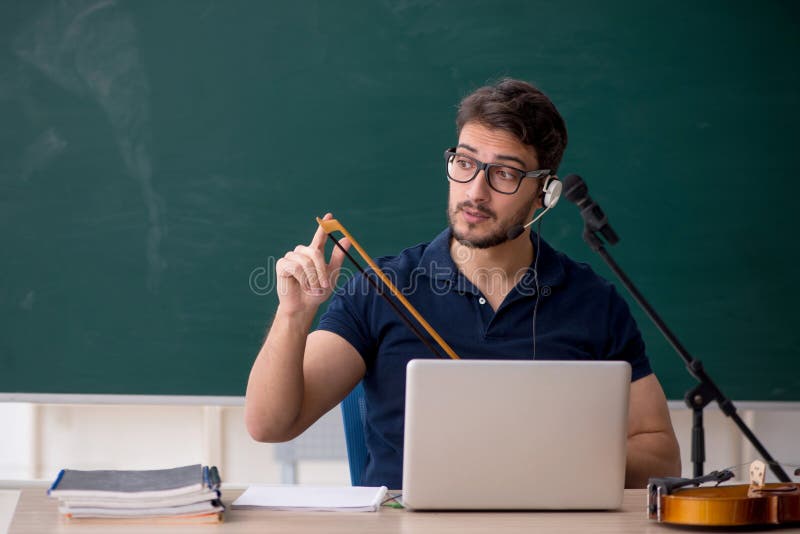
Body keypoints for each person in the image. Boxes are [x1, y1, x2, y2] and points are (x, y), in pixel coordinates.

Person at [245, 78, 681, 489]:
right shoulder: (380, 287)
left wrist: (560, 456)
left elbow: (660, 455)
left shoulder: (593, 303)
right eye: (466, 163)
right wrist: (294, 316)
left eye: (505, 174)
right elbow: (270, 425)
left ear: (544, 193)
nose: (475, 191)